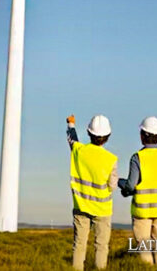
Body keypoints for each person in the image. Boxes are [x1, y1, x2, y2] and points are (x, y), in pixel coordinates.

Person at [118, 116, 157, 266]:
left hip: (143, 210)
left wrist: (120, 183)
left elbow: (130, 186)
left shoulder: (138, 157)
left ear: (143, 135)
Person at [67, 114, 118, 270]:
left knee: (79, 244)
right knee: (101, 245)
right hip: (102, 209)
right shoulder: (111, 159)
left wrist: (71, 124)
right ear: (108, 136)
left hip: (81, 206)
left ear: (89, 133)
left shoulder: (79, 151)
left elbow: (72, 139)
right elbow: (112, 185)